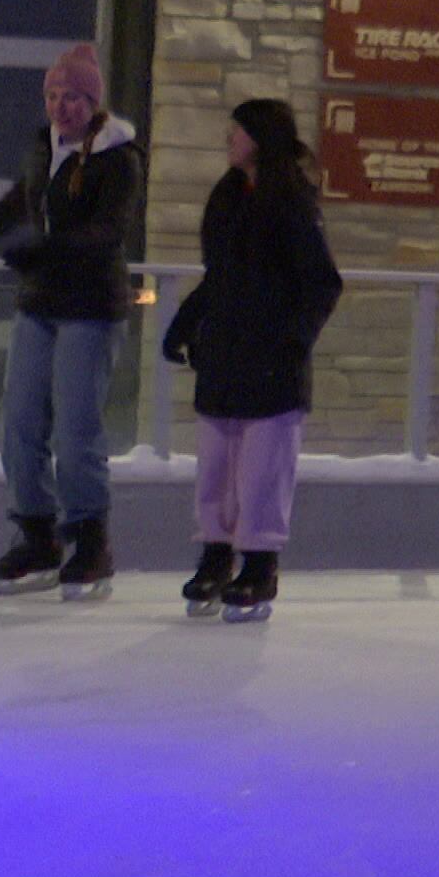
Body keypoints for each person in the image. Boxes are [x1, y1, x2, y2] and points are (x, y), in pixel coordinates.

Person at [0, 44, 144, 601]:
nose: (60, 107)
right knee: (20, 425)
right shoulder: (42, 148)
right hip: (40, 304)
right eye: (52, 96)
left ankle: (90, 540)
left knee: (75, 431)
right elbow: (17, 204)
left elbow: (108, 231)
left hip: (91, 308)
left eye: (71, 96)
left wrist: (44, 252)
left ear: (92, 102)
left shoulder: (117, 158)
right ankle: (36, 535)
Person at [162, 99, 341, 623]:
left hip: (271, 363)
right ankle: (216, 554)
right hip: (224, 355)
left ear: (261, 138)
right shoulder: (227, 197)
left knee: (263, 469)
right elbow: (219, 276)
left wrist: (292, 340)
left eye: (237, 130)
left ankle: (259, 564)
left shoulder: (291, 204)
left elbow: (322, 283)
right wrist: (184, 325)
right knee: (216, 466)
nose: (229, 137)